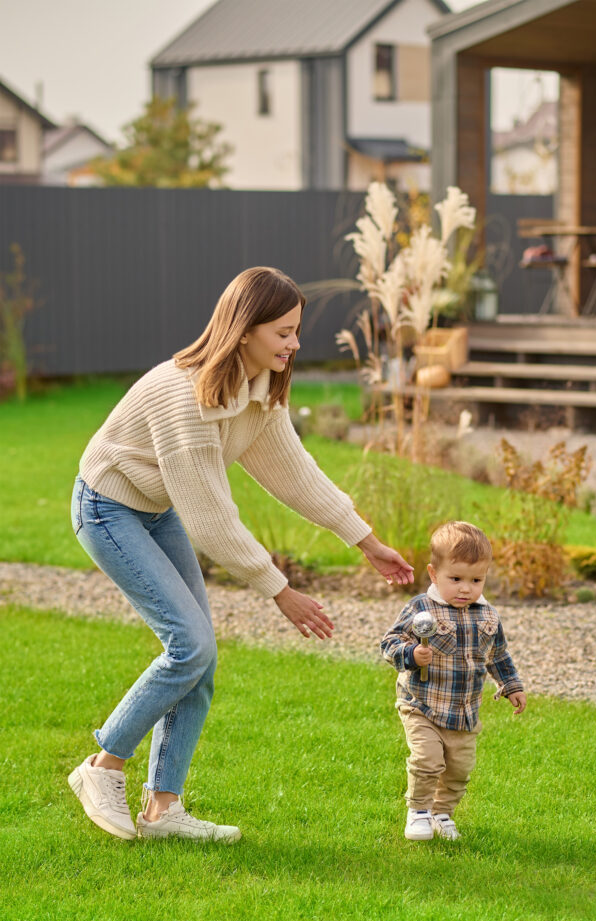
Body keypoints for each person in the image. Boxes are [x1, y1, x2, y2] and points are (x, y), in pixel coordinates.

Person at [68, 266, 414, 844]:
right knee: (191, 645)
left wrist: (367, 541)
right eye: (283, 332)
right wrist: (280, 589)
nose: (295, 343)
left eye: (296, 330)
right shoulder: (184, 396)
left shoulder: (257, 391)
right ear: (244, 328)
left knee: (199, 660)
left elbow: (296, 474)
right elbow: (210, 519)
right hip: (109, 509)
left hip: (157, 511)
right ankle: (103, 765)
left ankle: (163, 810)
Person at [380, 520, 525, 842]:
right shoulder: (421, 609)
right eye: (456, 578)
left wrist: (512, 685)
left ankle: (441, 813)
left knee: (459, 770)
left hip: (464, 711)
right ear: (433, 574)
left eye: (476, 580)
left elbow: (498, 655)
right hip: (422, 704)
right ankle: (417, 811)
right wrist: (411, 654)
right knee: (428, 760)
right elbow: (389, 644)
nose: (466, 588)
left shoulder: (488, 616)